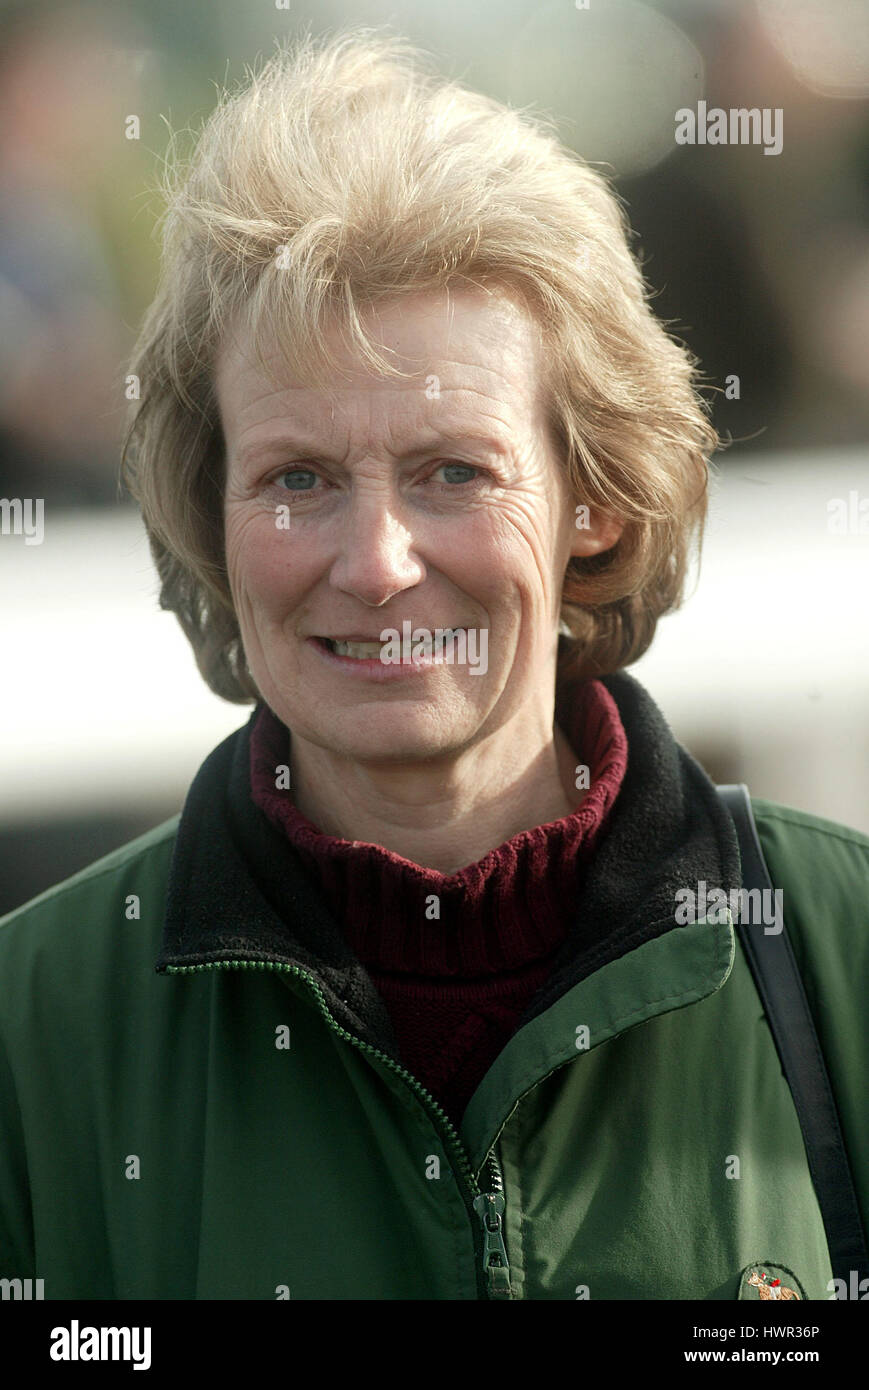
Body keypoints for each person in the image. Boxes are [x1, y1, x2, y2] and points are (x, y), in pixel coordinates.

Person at [0, 27, 867, 1303]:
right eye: (297, 478)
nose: (375, 560)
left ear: (596, 502)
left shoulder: (839, 956)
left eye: (451, 471)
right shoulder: (34, 1034)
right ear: (209, 513)